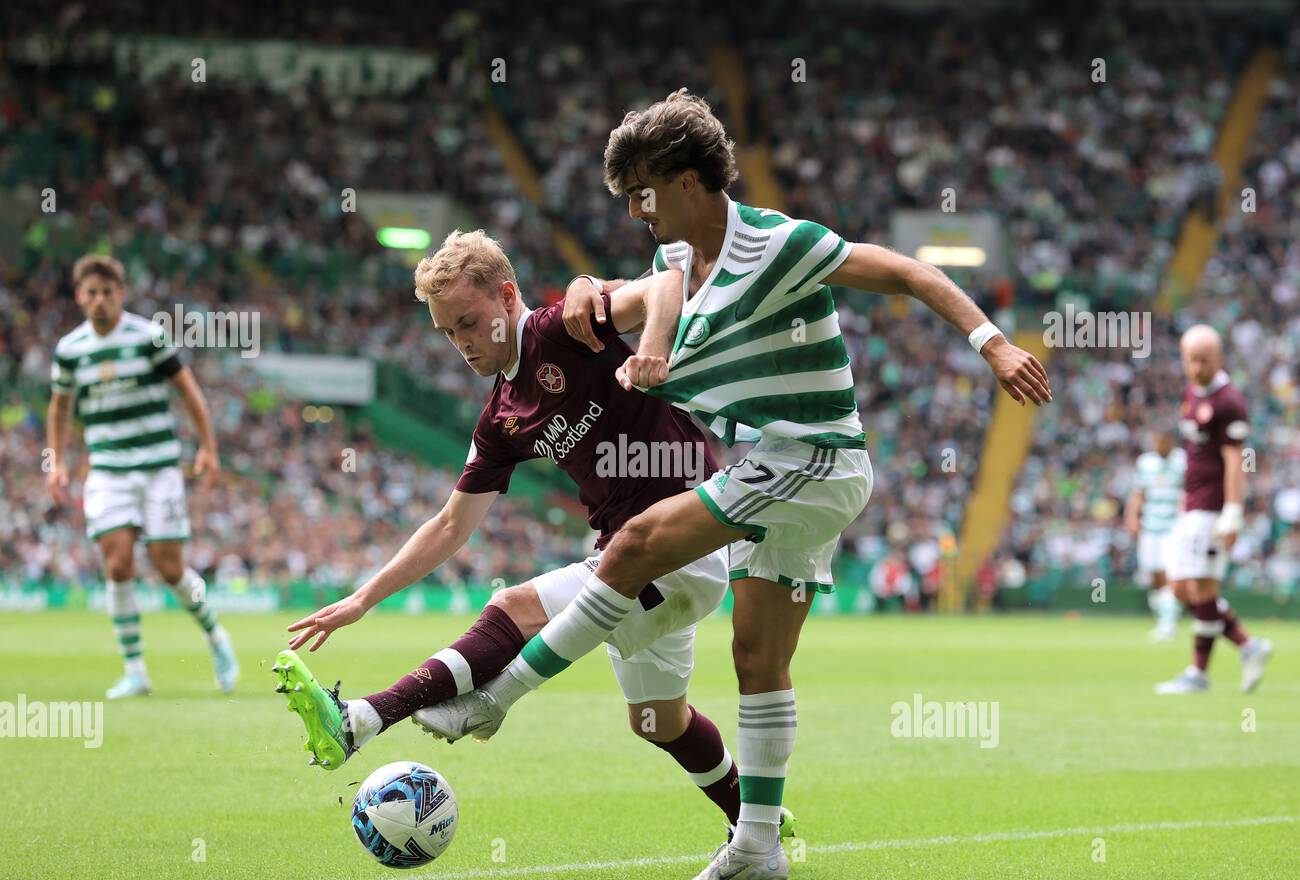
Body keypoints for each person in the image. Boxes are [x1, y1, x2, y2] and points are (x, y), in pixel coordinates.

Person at [419, 90, 1051, 880]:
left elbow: (908, 270)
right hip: (777, 466)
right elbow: (609, 300)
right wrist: (585, 287)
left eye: (641, 193)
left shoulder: (777, 242)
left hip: (814, 457)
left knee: (639, 543)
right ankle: (757, 846)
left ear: (687, 181)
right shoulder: (676, 263)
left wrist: (992, 344)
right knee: (756, 659)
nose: (634, 211)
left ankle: (496, 699)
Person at [272, 229, 783, 837]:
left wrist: (645, 345)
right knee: (657, 720)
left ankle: (360, 719)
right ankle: (759, 825)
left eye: (467, 321)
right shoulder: (501, 416)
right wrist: (362, 599)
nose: (461, 342)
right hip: (632, 559)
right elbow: (451, 524)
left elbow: (669, 282)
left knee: (514, 606)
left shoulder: (560, 328)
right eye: (447, 332)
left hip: (677, 541)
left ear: (506, 295)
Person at [45, 254, 238, 698]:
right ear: (79, 297)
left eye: (107, 293)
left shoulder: (149, 337)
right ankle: (135, 670)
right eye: (91, 293)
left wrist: (207, 447)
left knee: (169, 567)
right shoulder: (69, 350)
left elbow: (188, 392)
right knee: (117, 562)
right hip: (108, 470)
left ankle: (215, 637)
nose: (99, 302)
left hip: (158, 469)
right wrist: (56, 460)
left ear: (121, 295)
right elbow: (59, 408)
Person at [1155, 325, 1272, 694]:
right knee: (1178, 587)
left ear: (1219, 358)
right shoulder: (1191, 393)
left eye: (1204, 359)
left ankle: (1198, 672)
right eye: (1191, 359)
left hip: (1211, 509)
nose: (1197, 366)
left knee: (1201, 587)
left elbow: (1235, 460)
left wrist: (1233, 511)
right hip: (1190, 505)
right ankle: (1248, 645)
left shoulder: (1228, 400)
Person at [1124, 431, 1185, 641]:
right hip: (1150, 527)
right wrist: (1132, 516)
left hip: (1173, 528)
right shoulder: (1146, 462)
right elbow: (1138, 492)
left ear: (1171, 440)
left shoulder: (1182, 461)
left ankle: (1169, 624)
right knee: (1153, 573)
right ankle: (1162, 618)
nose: (1159, 444)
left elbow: (1189, 492)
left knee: (1168, 573)